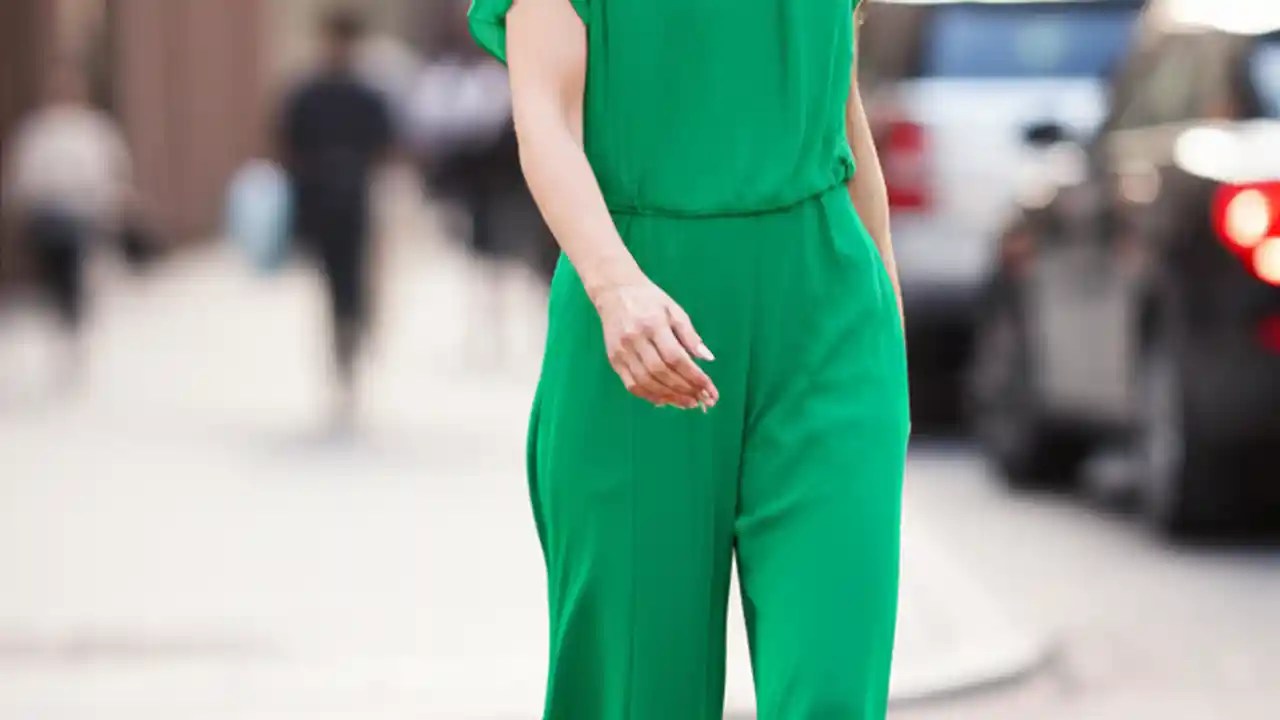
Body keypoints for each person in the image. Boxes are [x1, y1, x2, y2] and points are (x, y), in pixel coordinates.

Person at [469, 0, 910, 717]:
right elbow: (545, 118)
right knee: (635, 693)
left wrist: (888, 340)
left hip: (830, 323)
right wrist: (615, 287)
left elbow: (842, 111)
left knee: (832, 689)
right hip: (634, 324)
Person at [280, 9, 394, 427]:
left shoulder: (366, 96)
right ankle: (342, 346)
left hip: (354, 203)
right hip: (318, 203)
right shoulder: (307, 95)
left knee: (352, 282)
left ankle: (350, 342)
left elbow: (386, 147)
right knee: (332, 284)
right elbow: (286, 145)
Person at [1, 62, 132, 386]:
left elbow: (110, 171)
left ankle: (73, 327)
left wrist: (111, 206)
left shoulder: (90, 130)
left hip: (78, 213)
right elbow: (22, 174)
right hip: (47, 215)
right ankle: (65, 325)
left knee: (73, 276)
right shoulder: (38, 131)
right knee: (54, 277)